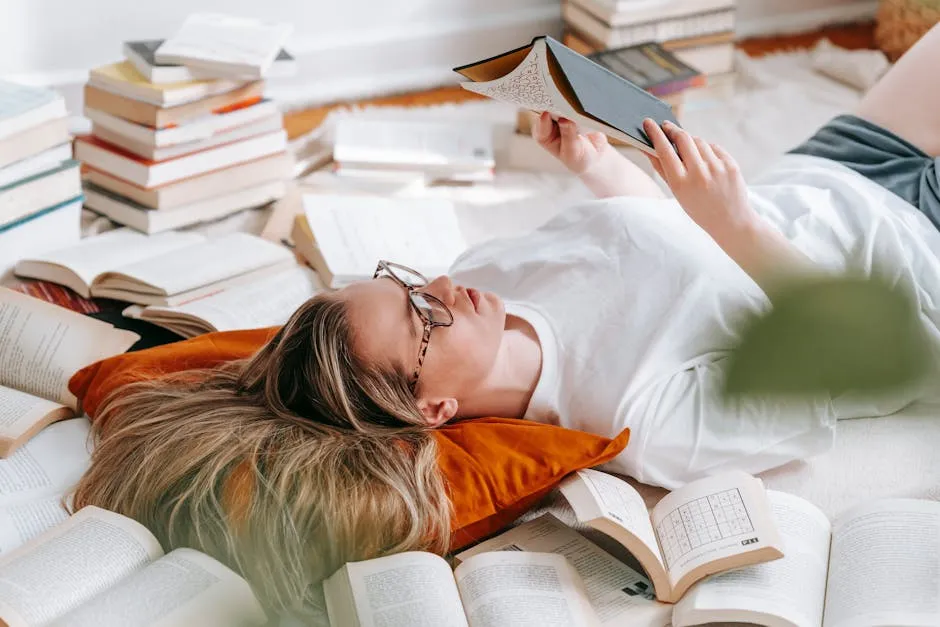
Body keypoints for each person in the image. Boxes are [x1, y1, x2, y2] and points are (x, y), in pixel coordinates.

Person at [73, 25, 940, 615]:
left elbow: (660, 249)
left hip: (833, 172)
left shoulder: (486, 285)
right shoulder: (646, 418)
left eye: (410, 282)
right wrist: (737, 223)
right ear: (435, 410)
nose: (445, 285)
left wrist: (602, 168)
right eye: (424, 317)